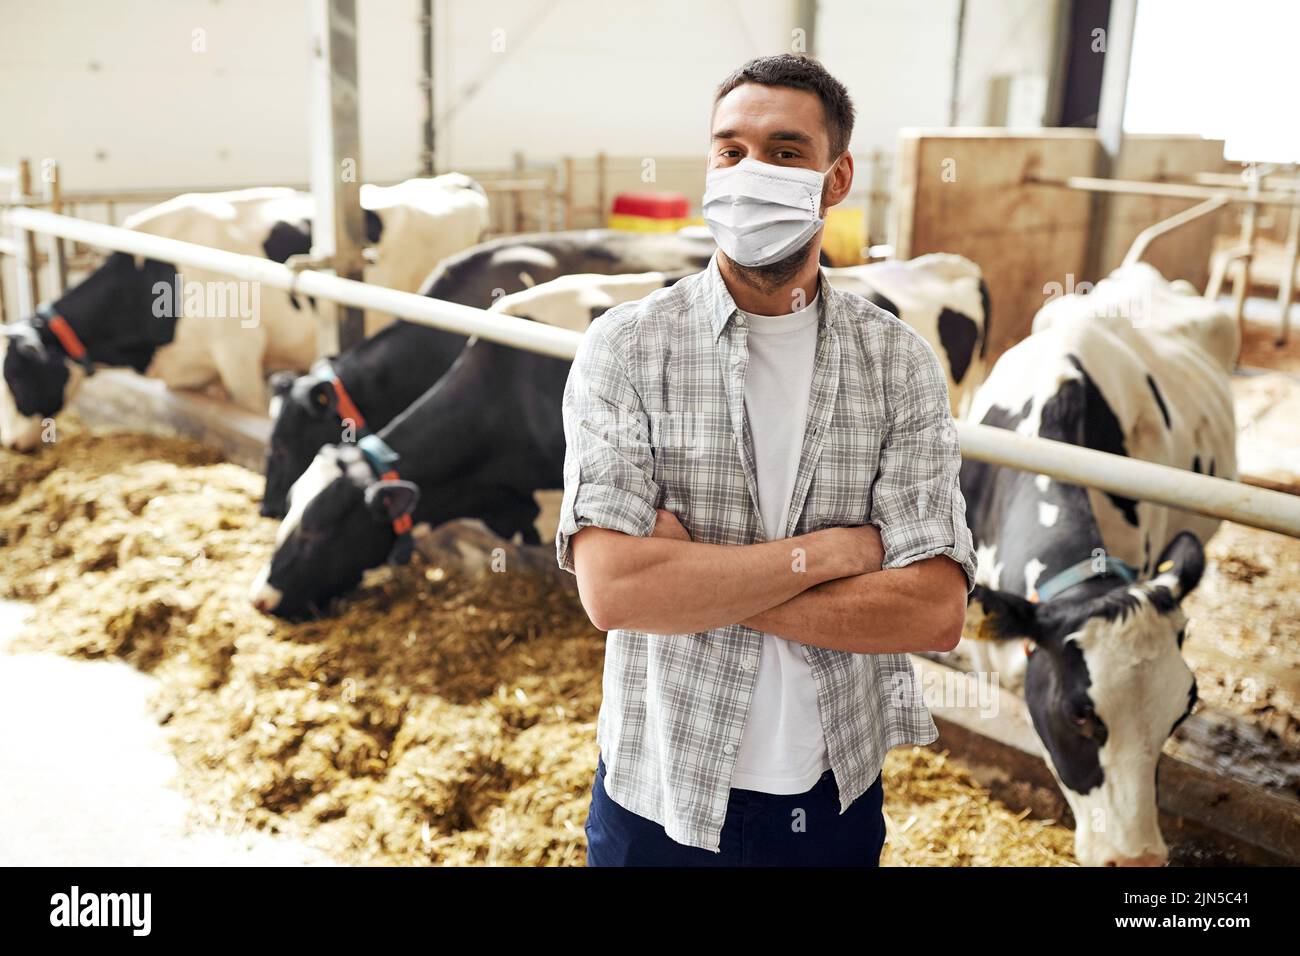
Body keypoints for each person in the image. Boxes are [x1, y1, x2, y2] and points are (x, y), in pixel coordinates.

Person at [556, 53, 978, 867]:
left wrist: (691, 580)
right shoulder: (630, 348)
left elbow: (933, 611)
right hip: (659, 793)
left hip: (830, 797)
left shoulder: (898, 362)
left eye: (785, 152)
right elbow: (612, 591)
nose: (752, 173)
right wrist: (829, 556)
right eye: (731, 150)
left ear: (836, 175)